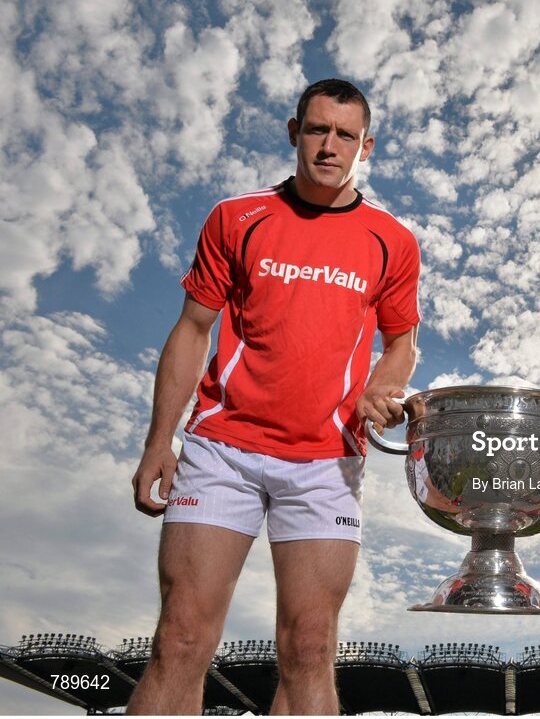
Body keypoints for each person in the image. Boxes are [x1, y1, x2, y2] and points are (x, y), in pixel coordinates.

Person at [127, 79, 420, 715]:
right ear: (294, 133)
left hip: (324, 462)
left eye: (345, 135)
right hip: (221, 450)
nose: (329, 145)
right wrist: (159, 440)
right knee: (180, 638)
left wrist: (381, 385)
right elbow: (192, 329)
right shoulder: (236, 217)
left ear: (365, 146)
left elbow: (401, 341)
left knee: (310, 647)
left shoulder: (391, 241)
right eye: (317, 130)